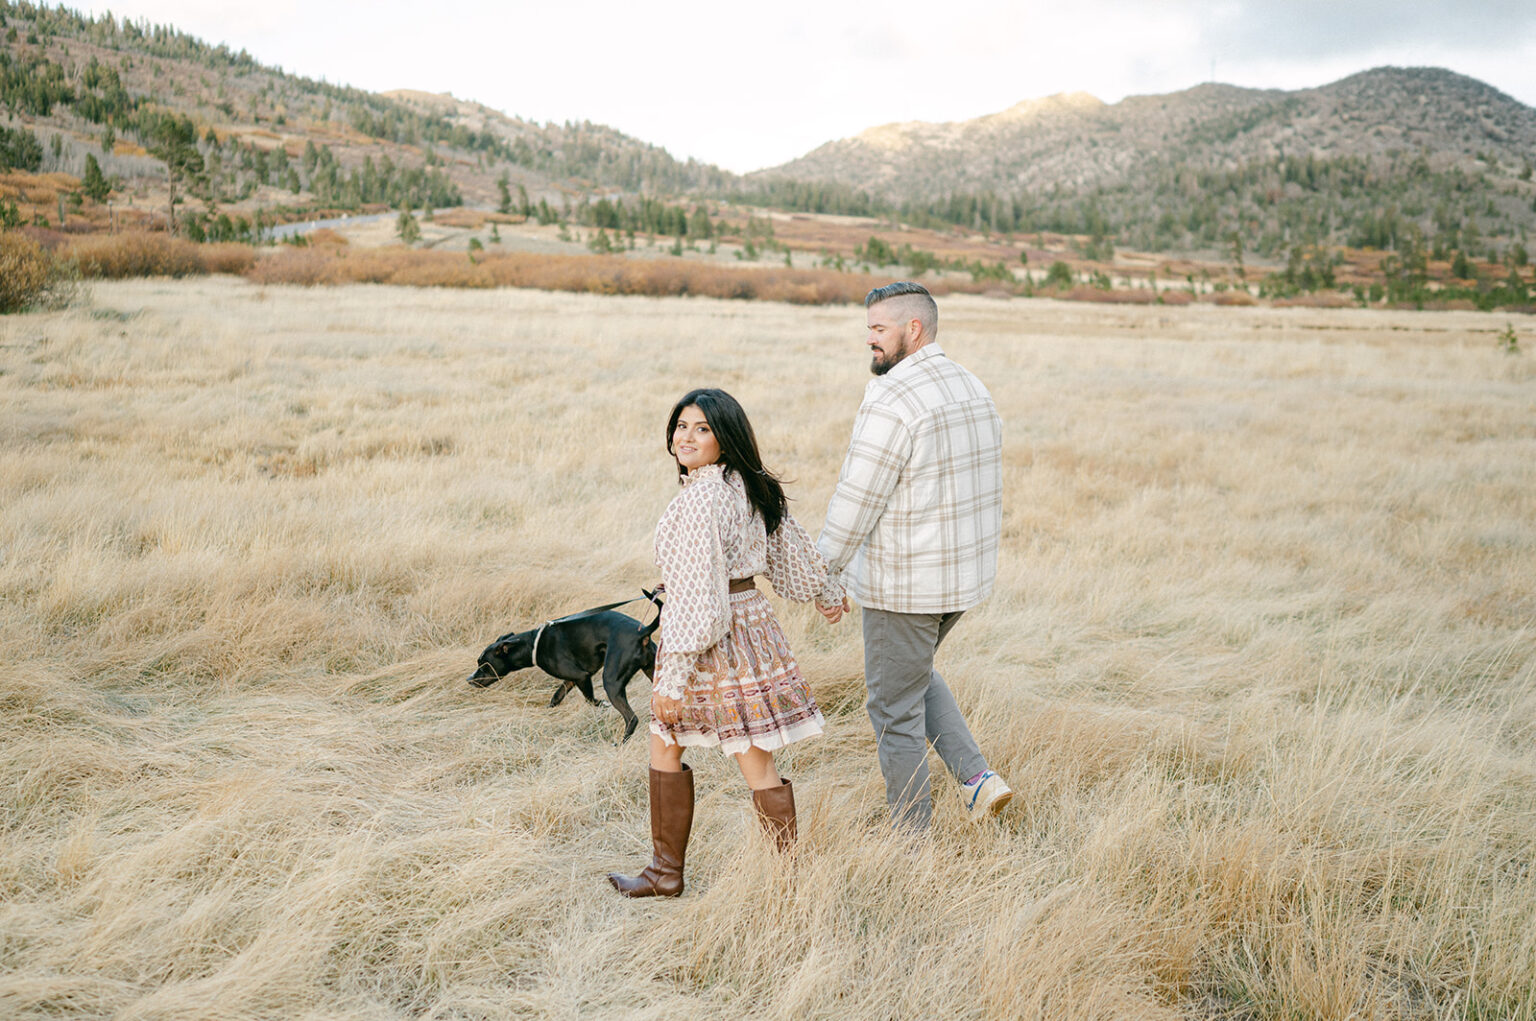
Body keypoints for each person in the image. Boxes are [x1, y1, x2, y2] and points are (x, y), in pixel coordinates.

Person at [609, 388, 844, 899]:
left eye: (702, 429)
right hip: (750, 623)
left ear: (725, 437)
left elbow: (698, 600)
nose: (686, 437)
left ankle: (697, 874)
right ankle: (679, 873)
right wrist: (826, 591)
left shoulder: (702, 498)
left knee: (712, 746)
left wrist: (670, 678)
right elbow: (792, 554)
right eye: (681, 426)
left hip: (710, 637)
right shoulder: (749, 485)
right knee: (683, 744)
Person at [814, 281, 1013, 831]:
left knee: (893, 708)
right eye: (868, 331)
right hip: (962, 583)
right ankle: (977, 780)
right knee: (914, 676)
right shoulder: (971, 384)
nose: (871, 342)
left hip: (905, 587)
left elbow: (857, 498)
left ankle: (910, 841)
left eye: (879, 330)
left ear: (914, 329)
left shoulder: (892, 396)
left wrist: (820, 573)